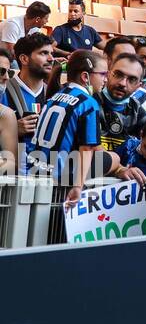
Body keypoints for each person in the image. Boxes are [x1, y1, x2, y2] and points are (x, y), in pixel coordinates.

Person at [27, 50, 113, 208]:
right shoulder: (88, 103)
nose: (106, 79)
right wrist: (78, 186)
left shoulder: (55, 96)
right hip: (60, 174)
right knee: (114, 159)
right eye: (103, 74)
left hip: (36, 167)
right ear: (85, 76)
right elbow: (87, 147)